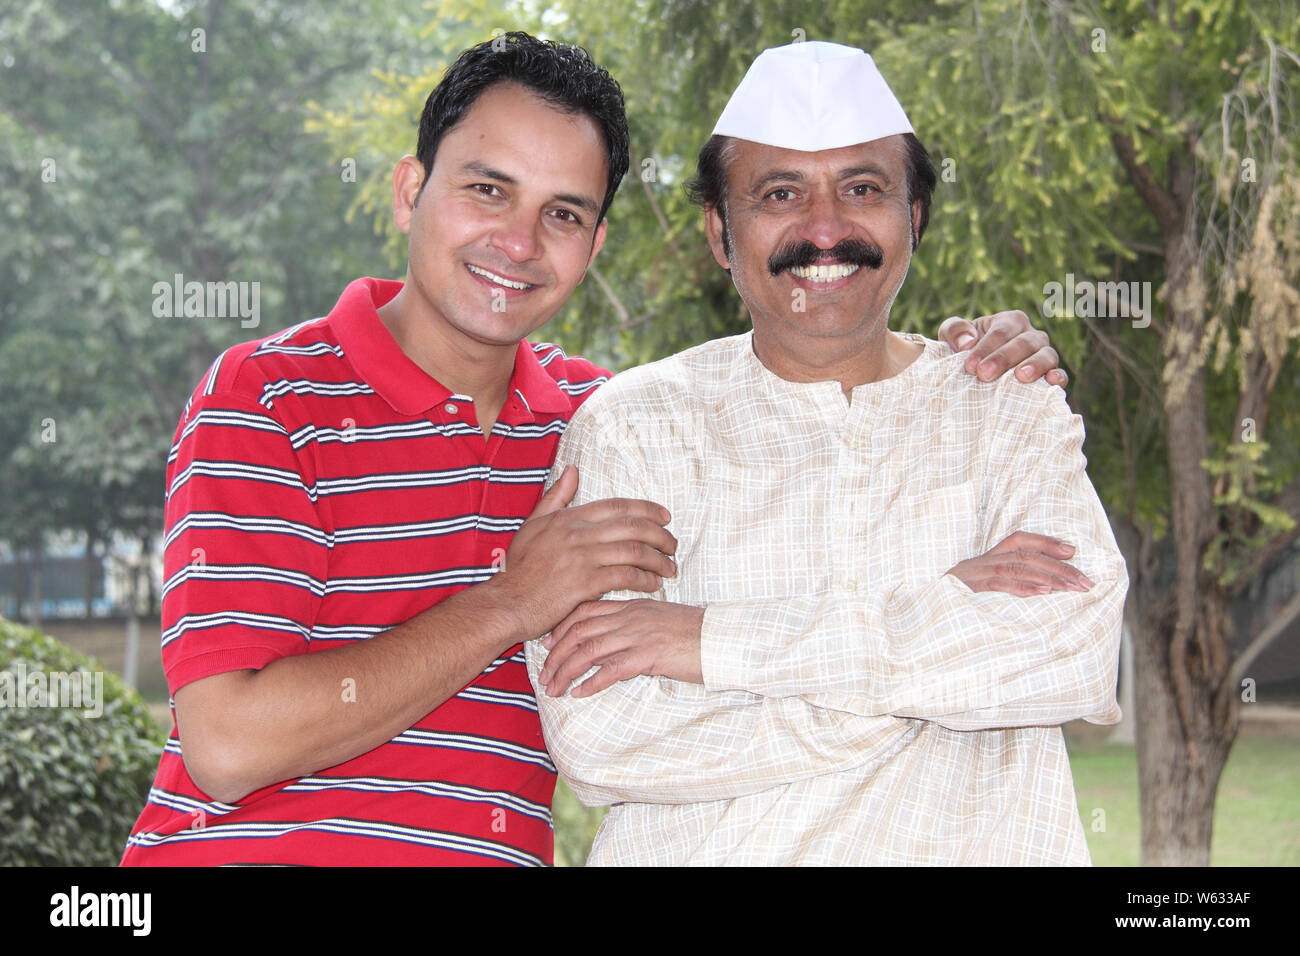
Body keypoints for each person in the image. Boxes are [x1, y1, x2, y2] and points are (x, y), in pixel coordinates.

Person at [121, 33, 1069, 866]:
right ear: (412, 189)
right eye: (488, 190)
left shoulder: (606, 421)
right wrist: (512, 601)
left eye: (563, 214)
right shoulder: (270, 393)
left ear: (596, 240)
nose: (519, 242)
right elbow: (230, 745)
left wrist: (982, 360)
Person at [528, 41, 1126, 865]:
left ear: (913, 215)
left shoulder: (1006, 406)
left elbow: (1071, 652)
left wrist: (711, 644)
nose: (824, 230)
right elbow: (603, 735)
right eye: (780, 193)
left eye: (863, 188)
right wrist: (937, 662)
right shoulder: (636, 425)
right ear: (718, 231)